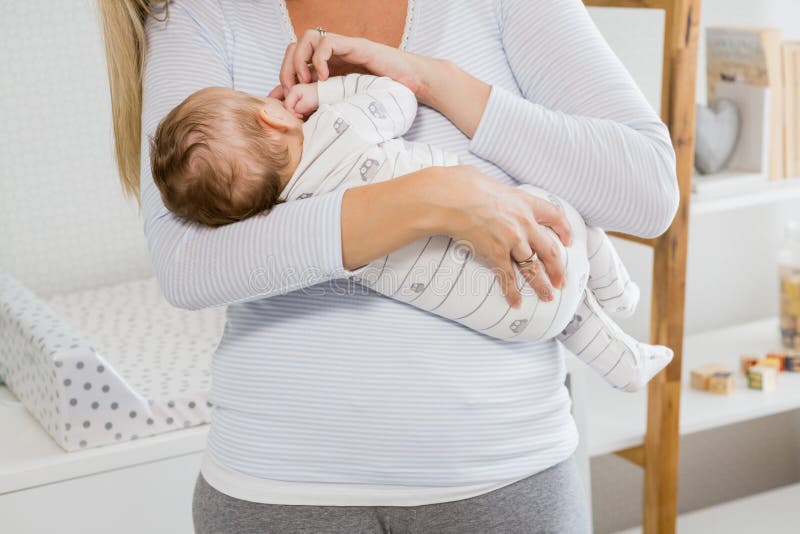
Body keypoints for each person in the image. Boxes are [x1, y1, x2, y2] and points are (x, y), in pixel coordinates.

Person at [98, 1, 678, 532]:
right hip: (275, 491)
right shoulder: (203, 15)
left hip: (501, 478)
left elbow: (647, 190)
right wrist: (434, 199)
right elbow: (186, 262)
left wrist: (434, 80)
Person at [149, 73, 672, 392]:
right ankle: (616, 290)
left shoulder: (286, 220)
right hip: (537, 253)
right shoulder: (337, 127)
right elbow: (397, 96)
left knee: (560, 315)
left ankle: (623, 364)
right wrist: (325, 92)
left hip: (501, 317)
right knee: (564, 212)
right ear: (273, 117)